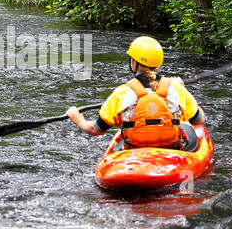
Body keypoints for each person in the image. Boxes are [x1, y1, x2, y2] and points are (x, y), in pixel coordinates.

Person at [66, 36, 205, 151]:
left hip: (134, 151)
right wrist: (183, 88)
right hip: (171, 150)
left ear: (134, 63)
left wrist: (78, 119)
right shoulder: (176, 88)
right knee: (185, 123)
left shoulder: (122, 93)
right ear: (158, 64)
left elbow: (95, 129)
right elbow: (199, 120)